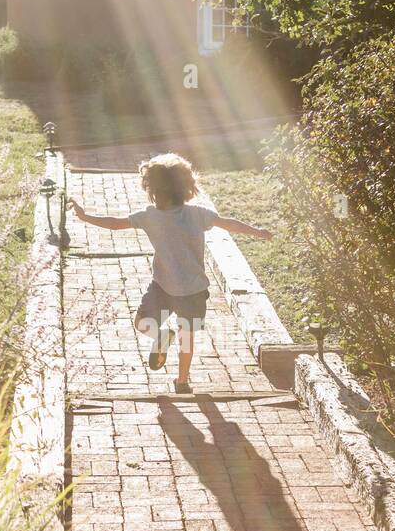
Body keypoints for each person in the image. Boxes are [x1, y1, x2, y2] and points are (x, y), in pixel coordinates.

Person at [69, 153, 272, 393]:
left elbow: (114, 223)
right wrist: (257, 232)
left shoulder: (149, 216)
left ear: (151, 189)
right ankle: (183, 381)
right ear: (187, 187)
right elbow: (230, 224)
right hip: (193, 290)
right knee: (187, 337)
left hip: (163, 286)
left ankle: (162, 336)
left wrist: (84, 217)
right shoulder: (198, 214)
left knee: (142, 324)